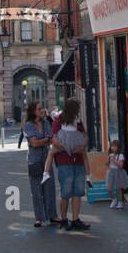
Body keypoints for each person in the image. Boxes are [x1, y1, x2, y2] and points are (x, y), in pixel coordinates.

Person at [46, 98, 90, 231]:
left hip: (78, 160)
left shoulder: (78, 121)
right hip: (64, 161)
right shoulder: (59, 121)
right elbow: (54, 139)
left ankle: (75, 219)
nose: (78, 110)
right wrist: (68, 148)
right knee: (66, 192)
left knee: (78, 191)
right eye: (77, 107)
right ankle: (64, 219)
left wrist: (82, 145)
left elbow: (85, 135)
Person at [23, 102, 59, 227]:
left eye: (42, 108)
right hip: (34, 160)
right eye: (39, 109)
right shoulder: (28, 125)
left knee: (49, 187)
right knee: (36, 189)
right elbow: (34, 143)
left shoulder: (45, 123)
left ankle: (52, 215)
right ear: (33, 111)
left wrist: (42, 141)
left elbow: (51, 137)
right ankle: (39, 218)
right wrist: (45, 141)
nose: (42, 110)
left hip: (47, 159)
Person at [106, 139, 128, 209]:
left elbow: (120, 166)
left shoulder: (120, 155)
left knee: (118, 189)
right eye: (112, 146)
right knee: (109, 188)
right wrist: (108, 160)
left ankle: (120, 202)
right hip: (111, 172)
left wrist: (114, 160)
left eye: (115, 146)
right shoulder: (110, 154)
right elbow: (107, 164)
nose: (113, 148)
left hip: (118, 173)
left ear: (118, 147)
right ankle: (114, 199)